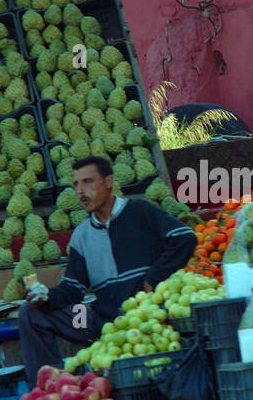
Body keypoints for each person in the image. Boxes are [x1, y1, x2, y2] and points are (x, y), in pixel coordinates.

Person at [19, 155, 197, 383]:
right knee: (30, 313)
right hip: (96, 322)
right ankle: (48, 385)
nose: (80, 191)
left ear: (108, 181)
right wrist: (46, 296)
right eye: (76, 184)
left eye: (88, 182)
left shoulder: (140, 211)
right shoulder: (81, 235)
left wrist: (153, 278)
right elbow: (73, 290)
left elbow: (184, 237)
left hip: (146, 318)